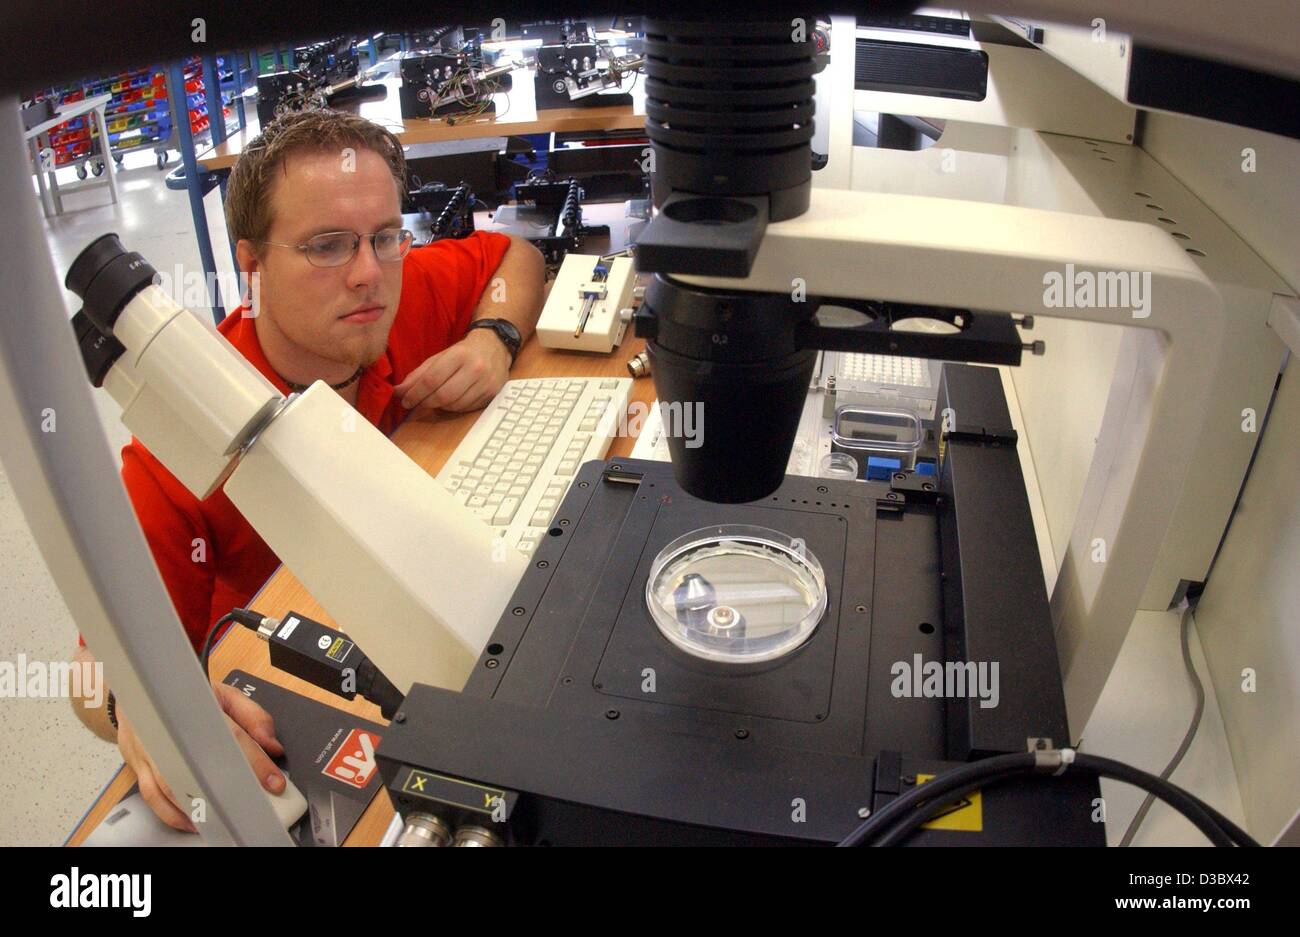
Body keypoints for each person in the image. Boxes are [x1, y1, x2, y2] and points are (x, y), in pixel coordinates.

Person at [70, 109, 545, 831]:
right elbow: (88, 667)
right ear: (251, 266)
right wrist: (137, 703)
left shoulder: (394, 288)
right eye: (327, 246)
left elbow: (515, 257)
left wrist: (495, 334)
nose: (367, 274)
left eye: (384, 237)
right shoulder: (185, 440)